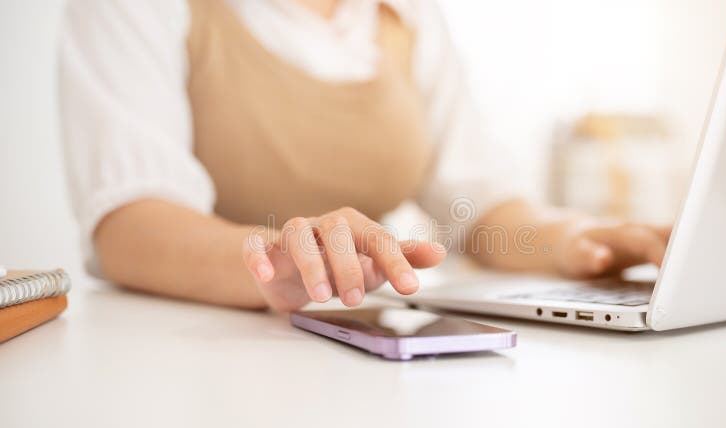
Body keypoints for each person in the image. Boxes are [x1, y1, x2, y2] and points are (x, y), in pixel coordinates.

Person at [59, 0, 671, 312]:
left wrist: (575, 240)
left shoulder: (405, 18)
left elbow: (481, 210)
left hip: (354, 348)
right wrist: (273, 263)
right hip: (178, 355)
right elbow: (130, 224)